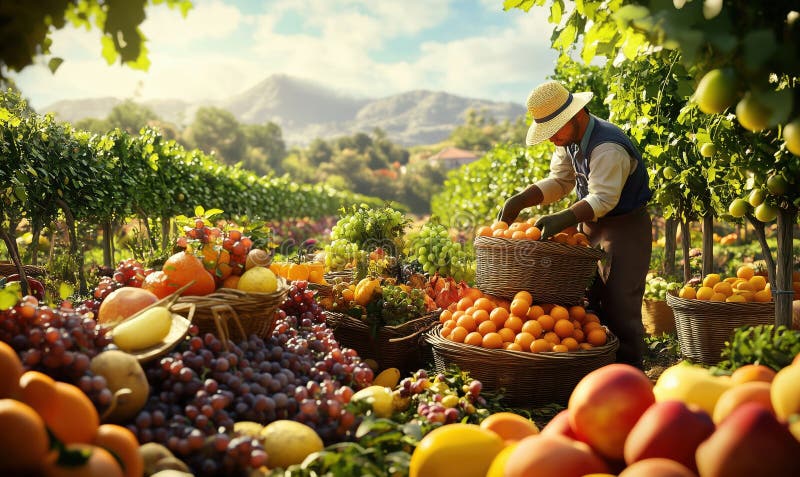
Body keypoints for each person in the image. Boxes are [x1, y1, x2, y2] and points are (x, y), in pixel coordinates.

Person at [498, 80, 653, 367]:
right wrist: (521, 200)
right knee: (588, 301)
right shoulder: (569, 140)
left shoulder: (608, 147)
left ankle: (630, 370)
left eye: (553, 129)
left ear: (575, 115)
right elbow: (561, 181)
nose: (550, 137)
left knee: (620, 303)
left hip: (625, 228)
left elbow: (604, 199)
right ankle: (597, 367)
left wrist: (565, 217)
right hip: (591, 227)